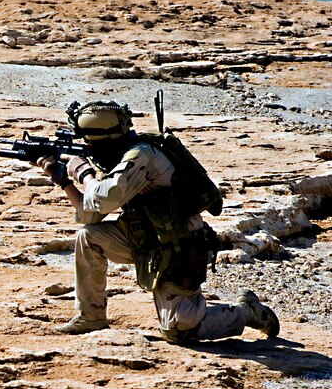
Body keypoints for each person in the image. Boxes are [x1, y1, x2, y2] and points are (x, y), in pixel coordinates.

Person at [35, 99, 279, 341]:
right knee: (89, 237)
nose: (86, 146)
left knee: (180, 330)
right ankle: (91, 316)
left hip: (176, 246)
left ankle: (246, 311)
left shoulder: (141, 156)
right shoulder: (118, 157)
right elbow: (90, 214)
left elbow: (101, 199)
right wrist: (64, 181)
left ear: (103, 139)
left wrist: (83, 173)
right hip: (142, 237)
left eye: (88, 141)